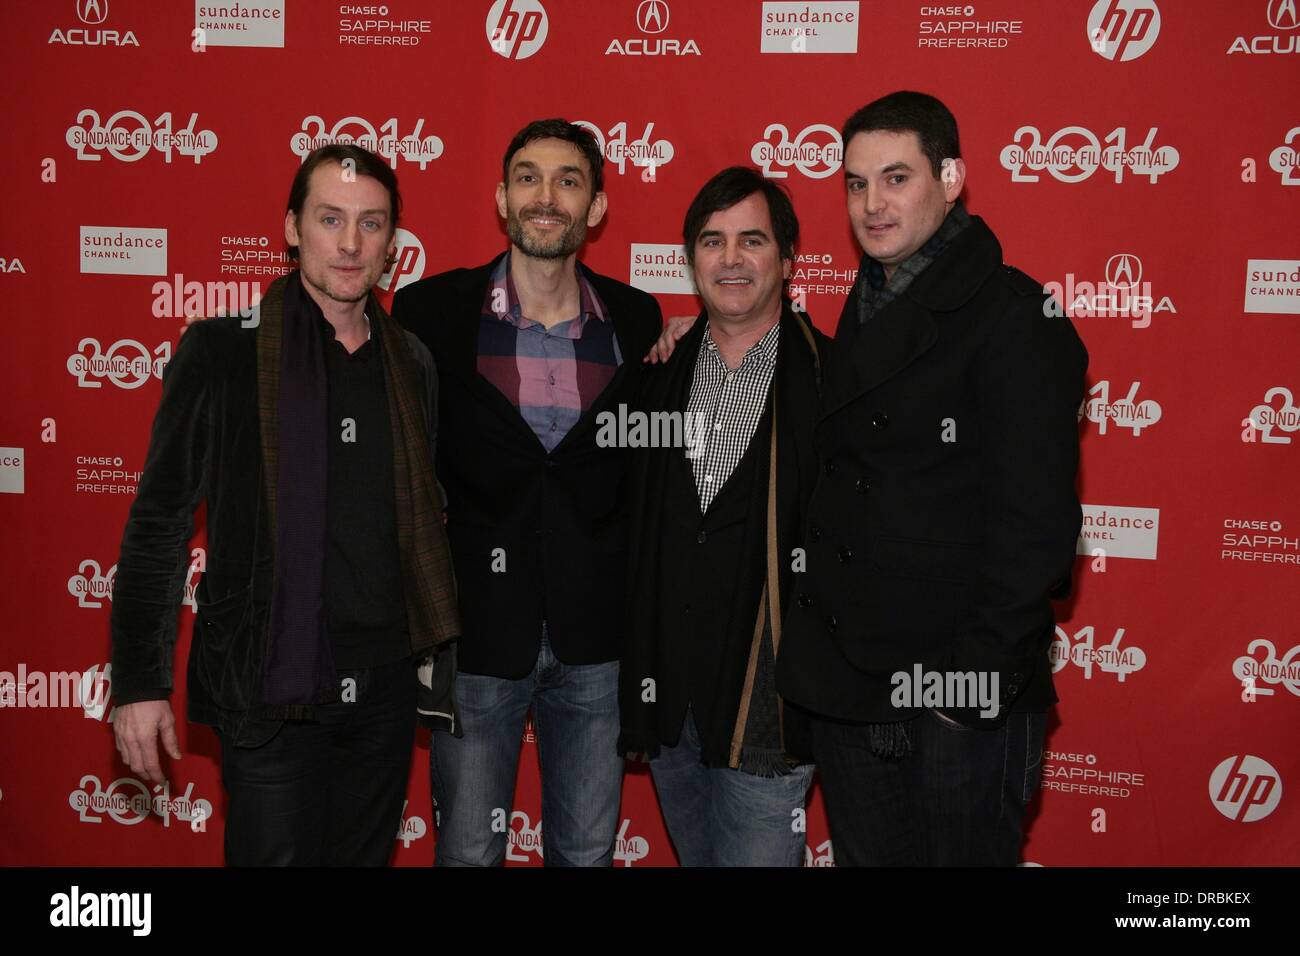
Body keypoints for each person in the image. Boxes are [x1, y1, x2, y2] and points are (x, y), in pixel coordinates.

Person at [110, 143, 461, 866]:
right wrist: (139, 684)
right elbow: (157, 527)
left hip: (386, 692)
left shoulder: (413, 362)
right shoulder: (221, 352)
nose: (350, 242)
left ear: (392, 241)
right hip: (271, 691)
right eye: (331, 218)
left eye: (371, 223)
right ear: (293, 227)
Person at [776, 91, 1088, 865]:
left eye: (895, 178)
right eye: (855, 183)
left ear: (951, 178)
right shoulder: (868, 298)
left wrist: (965, 694)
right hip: (853, 688)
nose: (872, 204)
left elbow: (1037, 531)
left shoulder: (1015, 315)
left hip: (954, 698)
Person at [392, 119, 662, 867]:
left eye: (569, 180)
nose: (547, 197)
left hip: (598, 643)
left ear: (597, 208)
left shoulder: (636, 320)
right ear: (502, 198)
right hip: (477, 636)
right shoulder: (429, 314)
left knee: (585, 851)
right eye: (529, 178)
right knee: (470, 850)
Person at [618, 167, 825, 867]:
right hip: (670, 706)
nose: (730, 259)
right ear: (691, 259)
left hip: (768, 714)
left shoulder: (832, 382)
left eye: (752, 240)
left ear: (789, 260)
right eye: (712, 241)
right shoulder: (656, 372)